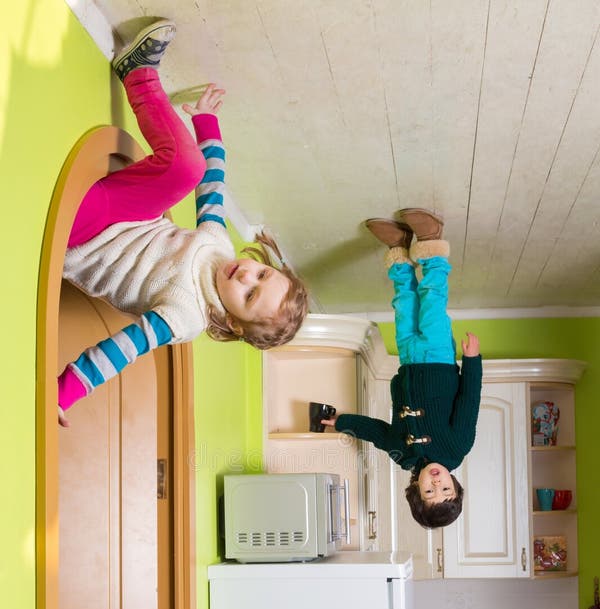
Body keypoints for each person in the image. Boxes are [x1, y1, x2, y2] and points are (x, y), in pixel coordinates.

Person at [58, 19, 309, 426]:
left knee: (185, 168)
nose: (246, 275)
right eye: (261, 274)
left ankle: (140, 75)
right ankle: (137, 72)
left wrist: (65, 392)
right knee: (187, 168)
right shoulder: (219, 247)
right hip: (126, 208)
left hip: (86, 239)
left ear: (232, 322)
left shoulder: (185, 315)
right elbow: (213, 186)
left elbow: (123, 349)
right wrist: (207, 122)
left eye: (248, 295)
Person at [321, 209, 482, 528]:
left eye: (429, 490)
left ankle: (399, 250)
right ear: (454, 482)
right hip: (439, 359)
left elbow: (378, 433)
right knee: (432, 302)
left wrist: (342, 422)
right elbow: (469, 401)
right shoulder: (458, 447)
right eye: (445, 488)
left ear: (414, 489)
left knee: (403, 306)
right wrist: (473, 361)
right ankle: (432, 242)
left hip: (408, 361)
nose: (437, 482)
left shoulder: (402, 456)